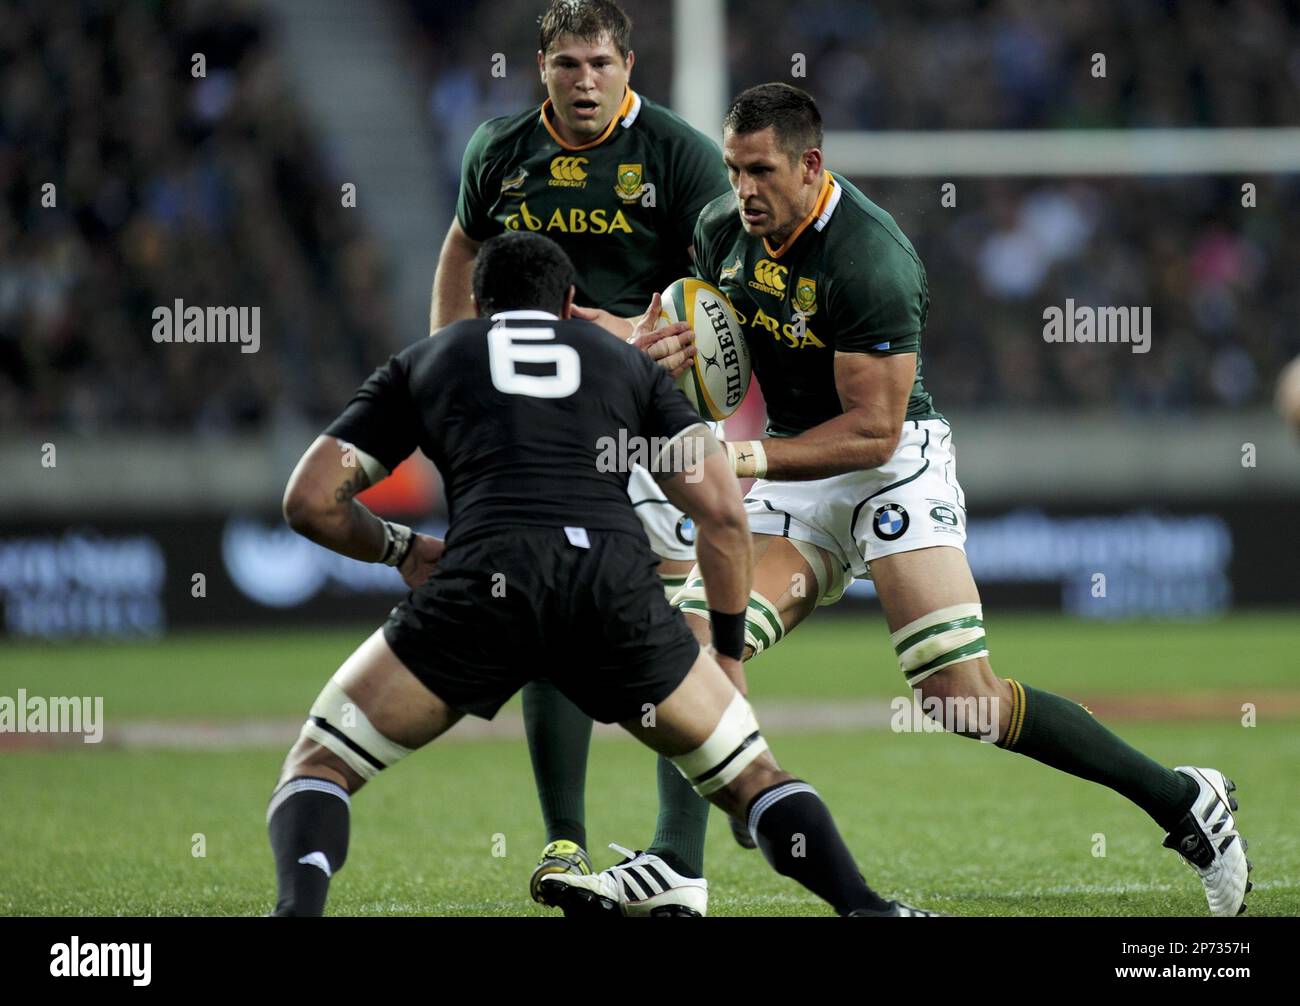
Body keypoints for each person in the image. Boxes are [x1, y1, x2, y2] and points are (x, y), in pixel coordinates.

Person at [553, 83, 1251, 919]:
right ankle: (674, 865)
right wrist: (629, 332)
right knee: (686, 644)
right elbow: (705, 337)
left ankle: (1183, 802)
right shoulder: (719, 231)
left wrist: (741, 454)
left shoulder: (871, 257)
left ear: (811, 165)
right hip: (791, 473)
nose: (742, 189)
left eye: (761, 170)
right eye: (734, 168)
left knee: (961, 699)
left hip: (891, 470)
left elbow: (874, 432)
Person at [266, 231, 937, 918]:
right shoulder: (623, 365)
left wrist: (402, 549)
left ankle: (298, 910)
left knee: (322, 765)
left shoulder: (430, 359)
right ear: (568, 303)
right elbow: (724, 516)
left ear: (476, 302)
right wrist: (728, 654)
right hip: (611, 587)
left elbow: (310, 502)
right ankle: (865, 908)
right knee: (753, 777)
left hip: (480, 583)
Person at [429, 0, 735, 903]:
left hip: (655, 414)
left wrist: (678, 328)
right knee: (551, 623)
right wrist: (450, 358)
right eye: (568, 65)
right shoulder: (499, 151)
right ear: (542, 68)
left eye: (600, 63)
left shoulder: (677, 153)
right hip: (545, 422)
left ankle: (678, 864)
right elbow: (463, 246)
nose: (585, 80)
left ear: (628, 65)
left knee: (677, 631)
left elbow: (726, 272)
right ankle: (566, 844)